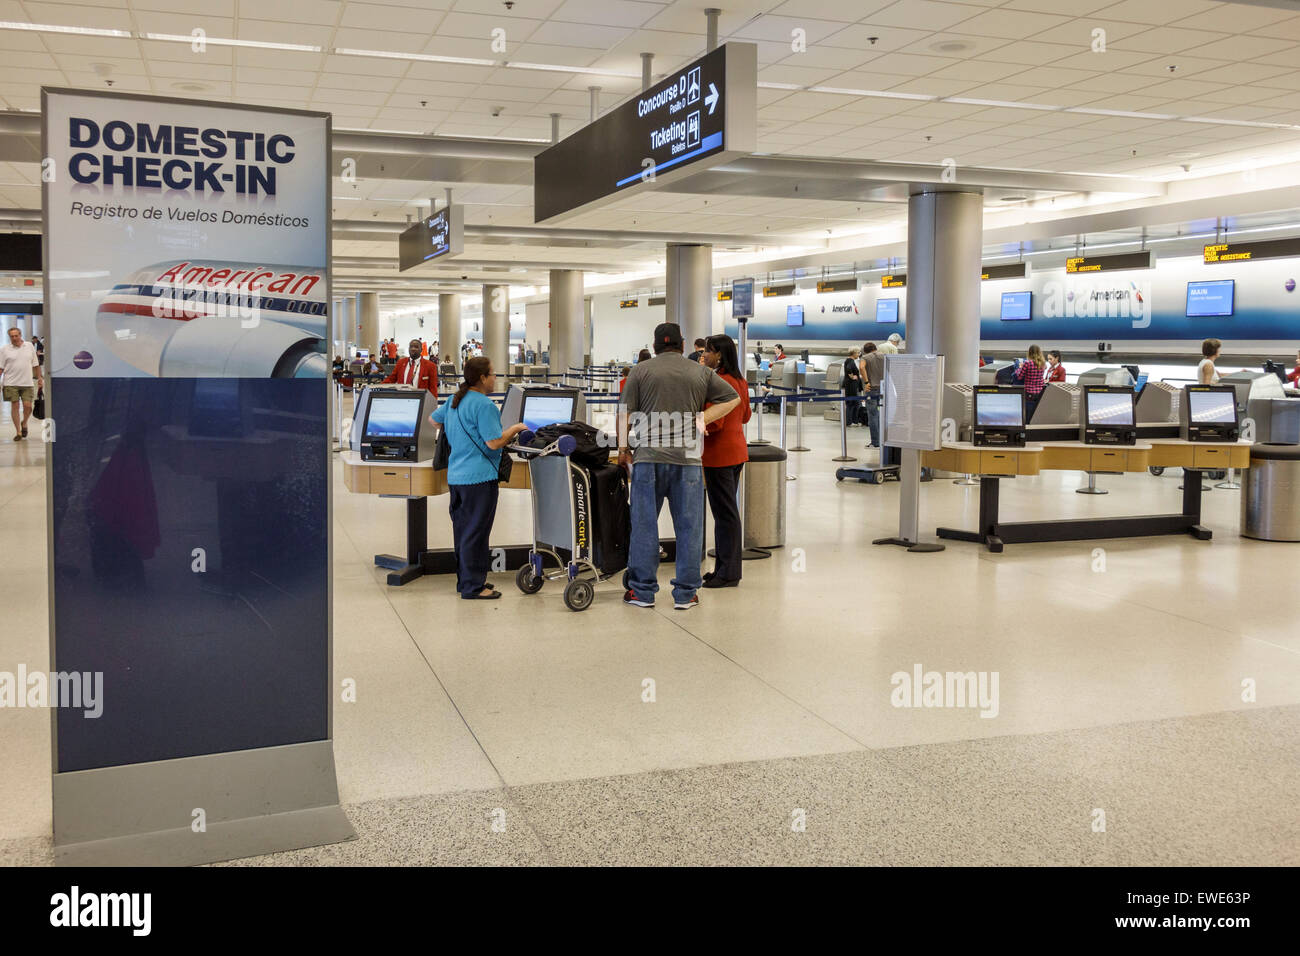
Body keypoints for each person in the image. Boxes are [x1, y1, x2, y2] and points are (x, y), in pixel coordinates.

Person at [619, 322, 741, 611]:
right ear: (683, 345)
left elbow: (623, 412)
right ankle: (686, 593)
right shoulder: (699, 371)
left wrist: (623, 449)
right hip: (687, 460)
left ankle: (643, 592)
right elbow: (733, 399)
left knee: (645, 525)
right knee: (689, 527)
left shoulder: (640, 370)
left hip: (648, 458)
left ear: (655, 345)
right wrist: (702, 419)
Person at [431, 357, 527, 599]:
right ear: (482, 378)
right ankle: (474, 587)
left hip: (457, 476)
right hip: (480, 478)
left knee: (463, 531)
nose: (496, 378)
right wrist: (516, 428)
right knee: (477, 533)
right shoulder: (484, 405)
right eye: (493, 374)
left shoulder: (456, 400)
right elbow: (494, 442)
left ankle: (466, 581)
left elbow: (434, 419)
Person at [701, 334, 752, 587]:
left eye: (708, 351)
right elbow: (746, 416)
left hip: (718, 455)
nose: (705, 355)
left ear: (719, 354)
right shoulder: (740, 380)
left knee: (725, 515)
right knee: (727, 513)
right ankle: (723, 567)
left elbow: (714, 422)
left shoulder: (717, 381)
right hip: (737, 452)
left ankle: (728, 572)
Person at [1, 326, 42, 441]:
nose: (14, 338)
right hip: (10, 383)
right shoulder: (4, 349)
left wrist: (39, 378)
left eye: (16, 335)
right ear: (9, 337)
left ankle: (24, 422)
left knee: (28, 406)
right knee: (15, 406)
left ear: (20, 335)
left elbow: (36, 364)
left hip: (27, 382)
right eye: (12, 336)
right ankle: (18, 431)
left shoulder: (29, 346)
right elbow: (1, 367)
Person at [1013, 344, 1048, 422]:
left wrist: (1019, 368)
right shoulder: (1043, 364)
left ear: (1029, 353)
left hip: (1029, 394)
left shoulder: (1027, 363)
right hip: (1040, 393)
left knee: (1027, 416)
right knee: (1036, 415)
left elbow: (1019, 377)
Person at [861, 343, 884, 448]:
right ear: (875, 348)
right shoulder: (884, 356)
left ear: (865, 351)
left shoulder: (865, 357)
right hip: (884, 388)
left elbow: (861, 367)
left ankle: (875, 442)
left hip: (872, 389)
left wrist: (866, 382)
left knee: (873, 415)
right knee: (883, 414)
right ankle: (884, 440)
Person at [842, 348, 864, 426]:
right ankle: (851, 421)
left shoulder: (848, 360)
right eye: (858, 353)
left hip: (850, 385)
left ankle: (853, 421)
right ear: (853, 353)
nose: (859, 354)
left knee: (853, 403)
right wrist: (852, 376)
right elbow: (848, 369)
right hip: (851, 386)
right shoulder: (850, 361)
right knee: (852, 403)